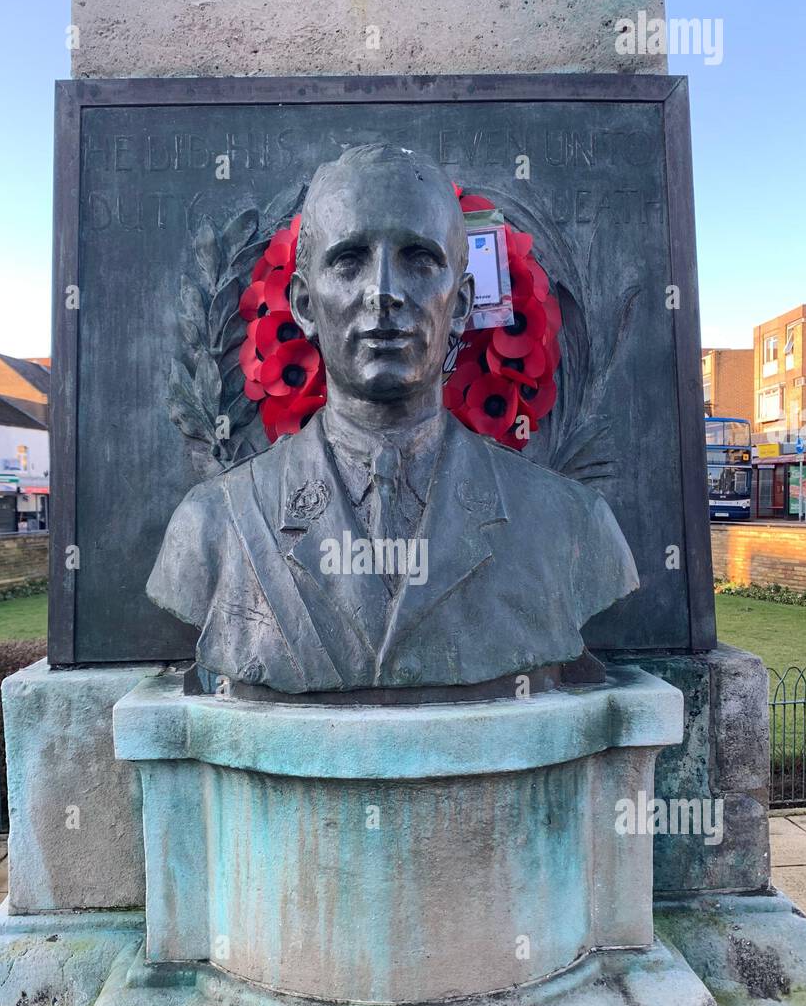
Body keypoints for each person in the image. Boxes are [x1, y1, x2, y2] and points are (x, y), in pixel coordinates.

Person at [147, 144, 638, 694]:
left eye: (420, 259)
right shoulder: (212, 527)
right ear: (305, 305)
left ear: (460, 306)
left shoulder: (570, 527)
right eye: (349, 259)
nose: (383, 292)